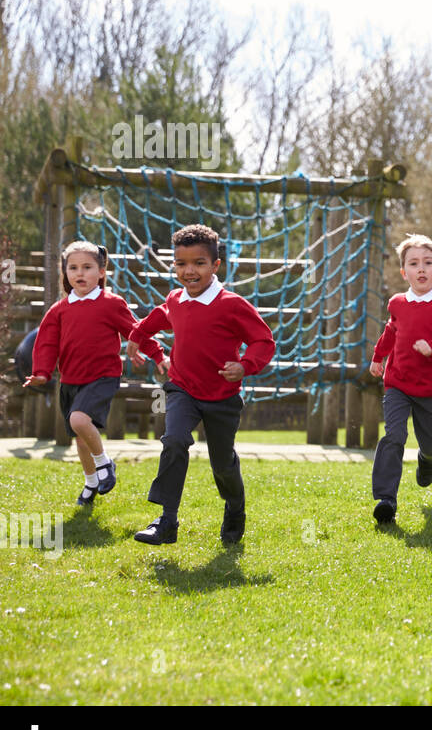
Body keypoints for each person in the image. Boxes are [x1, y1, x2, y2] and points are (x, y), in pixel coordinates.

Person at [127, 224, 276, 545]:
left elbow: (263, 340)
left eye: (198, 263)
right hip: (182, 387)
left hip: (222, 397)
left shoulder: (231, 304)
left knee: (222, 464)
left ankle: (235, 507)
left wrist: (245, 366)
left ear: (215, 266)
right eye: (181, 264)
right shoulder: (176, 299)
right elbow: (159, 316)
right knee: (174, 440)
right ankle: (166, 521)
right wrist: (137, 335)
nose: (189, 271)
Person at [24, 242, 139, 506]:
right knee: (80, 438)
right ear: (65, 273)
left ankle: (105, 464)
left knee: (78, 420)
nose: (80, 273)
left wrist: (153, 352)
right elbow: (46, 344)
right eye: (73, 267)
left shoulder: (111, 303)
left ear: (101, 271)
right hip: (70, 380)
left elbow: (135, 330)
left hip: (103, 377)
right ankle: (90, 484)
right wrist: (41, 373)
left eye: (87, 267)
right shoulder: (59, 310)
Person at [368, 234, 432, 526]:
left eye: (428, 263)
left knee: (429, 442)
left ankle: (429, 454)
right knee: (394, 436)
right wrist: (377, 357)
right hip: (397, 383)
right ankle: (386, 500)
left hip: (431, 388)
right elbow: (390, 333)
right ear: (403, 272)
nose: (421, 269)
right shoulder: (397, 303)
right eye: (414, 263)